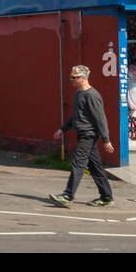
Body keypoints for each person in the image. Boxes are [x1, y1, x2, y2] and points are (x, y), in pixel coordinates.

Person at [51, 65, 115, 207]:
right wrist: (63, 129)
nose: (71, 79)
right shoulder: (79, 94)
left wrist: (106, 139)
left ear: (83, 78)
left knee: (77, 163)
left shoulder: (92, 95)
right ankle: (107, 197)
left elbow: (100, 118)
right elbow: (76, 117)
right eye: (71, 76)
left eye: (74, 77)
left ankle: (68, 195)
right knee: (95, 167)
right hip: (83, 135)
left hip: (89, 135)